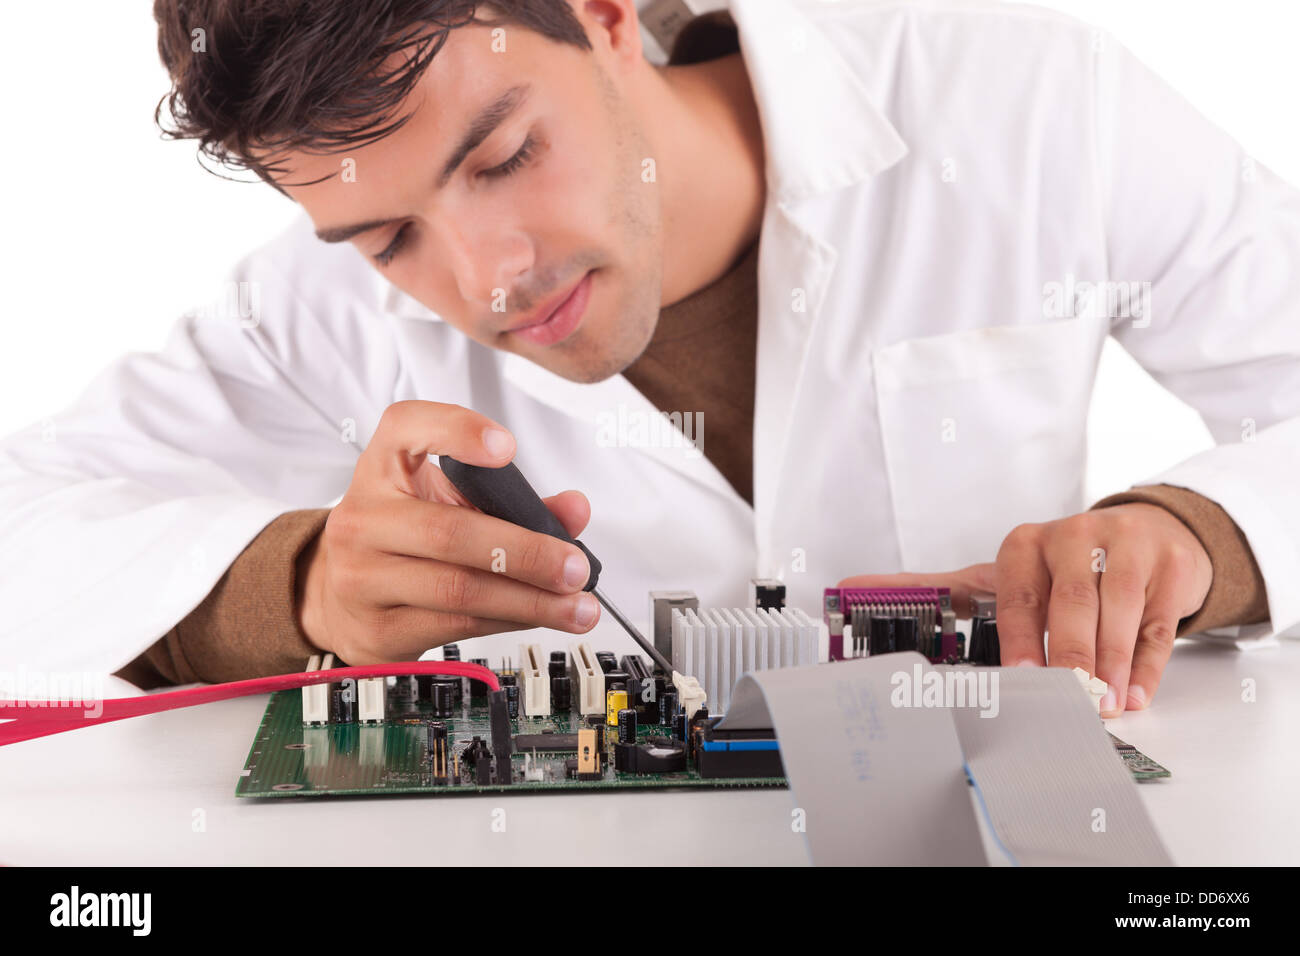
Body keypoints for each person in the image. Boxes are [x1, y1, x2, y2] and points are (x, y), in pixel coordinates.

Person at [1, 0, 1293, 721]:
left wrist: (1200, 535)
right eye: (390, 236)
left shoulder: (1032, 105)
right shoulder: (310, 309)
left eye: (504, 156)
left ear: (606, 16)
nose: (486, 277)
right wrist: (299, 592)